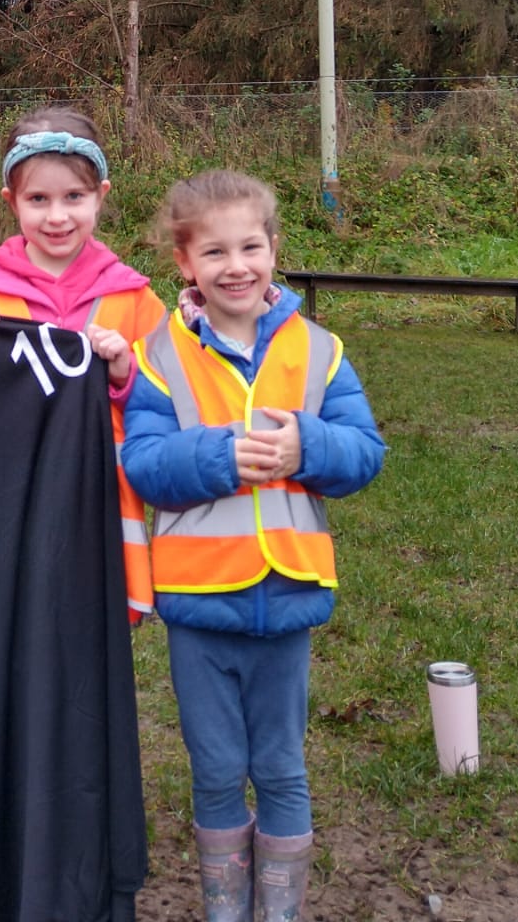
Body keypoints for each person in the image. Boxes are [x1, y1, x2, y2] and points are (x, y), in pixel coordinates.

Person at [121, 171, 385, 922]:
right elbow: (141, 464)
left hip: (289, 600)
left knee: (280, 768)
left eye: (251, 246)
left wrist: (309, 446)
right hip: (200, 607)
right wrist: (216, 457)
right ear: (184, 263)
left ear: (274, 248)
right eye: (215, 251)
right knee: (214, 771)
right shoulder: (158, 356)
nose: (236, 265)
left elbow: (365, 454)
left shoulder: (320, 350)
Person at [0, 106, 165, 621]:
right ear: (12, 202)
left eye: (74, 197)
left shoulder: (135, 299)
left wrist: (122, 372)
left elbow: (169, 402)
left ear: (101, 196)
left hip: (99, 499)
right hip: (11, 501)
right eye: (38, 200)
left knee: (93, 637)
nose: (57, 217)